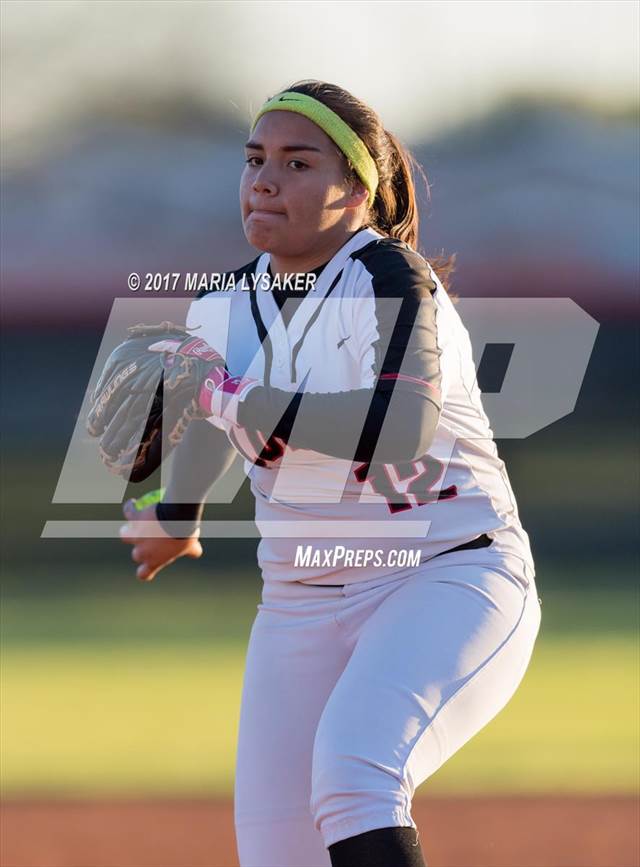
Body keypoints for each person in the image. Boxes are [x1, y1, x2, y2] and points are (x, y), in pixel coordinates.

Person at [119, 80, 542, 867]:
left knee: (356, 777)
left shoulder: (389, 279)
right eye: (254, 160)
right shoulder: (224, 305)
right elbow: (222, 422)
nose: (264, 181)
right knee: (279, 852)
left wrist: (230, 395)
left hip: (445, 574)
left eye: (296, 161)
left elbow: (397, 428)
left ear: (356, 188)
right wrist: (179, 516)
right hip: (298, 601)